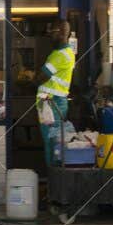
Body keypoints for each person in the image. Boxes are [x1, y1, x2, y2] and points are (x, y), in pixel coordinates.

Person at [36, 20, 76, 166]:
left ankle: (54, 179)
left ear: (60, 33)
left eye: (51, 32)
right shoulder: (61, 53)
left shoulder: (60, 55)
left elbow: (41, 78)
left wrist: (32, 79)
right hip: (50, 103)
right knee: (54, 142)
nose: (49, 36)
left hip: (51, 104)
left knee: (52, 143)